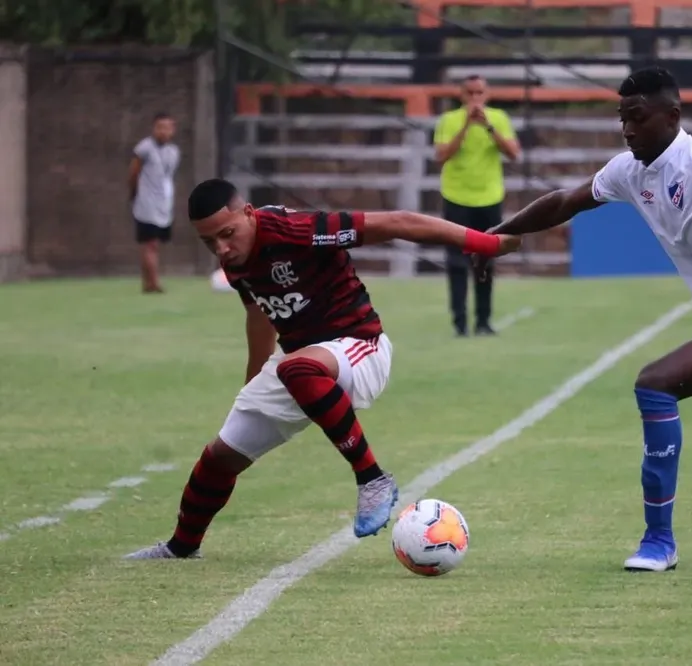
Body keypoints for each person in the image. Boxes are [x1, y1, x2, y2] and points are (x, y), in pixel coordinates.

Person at [476, 67, 692, 571]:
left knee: (655, 384)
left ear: (671, 116)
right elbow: (565, 202)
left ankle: (659, 543)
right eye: (622, 118)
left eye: (637, 117)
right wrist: (494, 238)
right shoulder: (628, 171)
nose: (627, 129)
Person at [124, 179, 520, 559]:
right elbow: (259, 316)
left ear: (248, 213)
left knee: (296, 369)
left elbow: (399, 222)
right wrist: (252, 383)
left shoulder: (295, 230)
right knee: (221, 457)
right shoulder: (236, 262)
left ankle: (372, 480)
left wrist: (485, 243)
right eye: (209, 241)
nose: (221, 248)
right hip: (300, 361)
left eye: (227, 233)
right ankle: (180, 547)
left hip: (359, 346)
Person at [433, 74, 521, 337]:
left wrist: (489, 128)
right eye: (469, 93)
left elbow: (514, 153)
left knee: (486, 260)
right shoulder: (449, 120)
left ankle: (484, 321)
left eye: (479, 93)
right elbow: (441, 156)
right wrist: (465, 127)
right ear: (461, 95)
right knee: (456, 263)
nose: (474, 99)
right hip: (456, 197)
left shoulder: (499, 118)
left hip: (489, 198)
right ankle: (459, 323)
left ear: (487, 94)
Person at [128, 112, 180, 294]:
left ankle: (147, 283)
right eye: (160, 127)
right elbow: (133, 173)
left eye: (167, 128)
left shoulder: (174, 152)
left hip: (164, 204)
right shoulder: (144, 148)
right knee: (150, 244)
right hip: (146, 204)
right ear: (154, 128)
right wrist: (134, 194)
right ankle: (154, 282)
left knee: (153, 244)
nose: (163, 132)